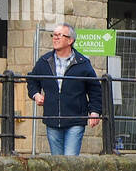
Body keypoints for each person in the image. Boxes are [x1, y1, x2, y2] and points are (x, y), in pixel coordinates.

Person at [27, 22, 102, 155]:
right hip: (52, 119)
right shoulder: (44, 61)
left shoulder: (82, 63)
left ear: (70, 40)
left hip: (75, 120)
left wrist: (95, 111)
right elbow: (32, 80)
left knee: (70, 160)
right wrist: (36, 94)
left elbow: (95, 89)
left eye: (59, 35)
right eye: (54, 35)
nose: (55, 38)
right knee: (57, 163)